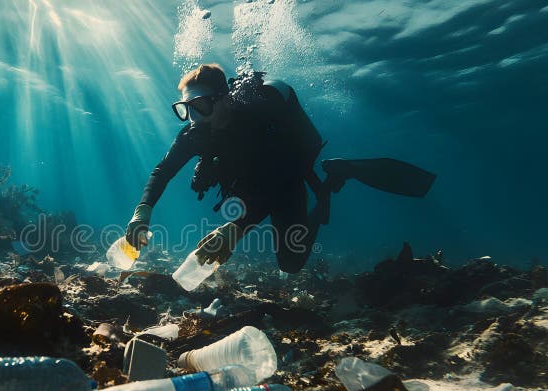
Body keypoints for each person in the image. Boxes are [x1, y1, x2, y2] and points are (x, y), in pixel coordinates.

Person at [124, 64, 435, 273]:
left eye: (200, 106)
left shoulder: (257, 114)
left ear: (222, 100)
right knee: (288, 263)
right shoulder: (195, 134)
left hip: (288, 173)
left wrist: (236, 229)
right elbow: (162, 171)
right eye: (186, 110)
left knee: (291, 262)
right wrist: (143, 211)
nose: (194, 119)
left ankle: (336, 177)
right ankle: (329, 185)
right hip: (251, 187)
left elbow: (283, 176)